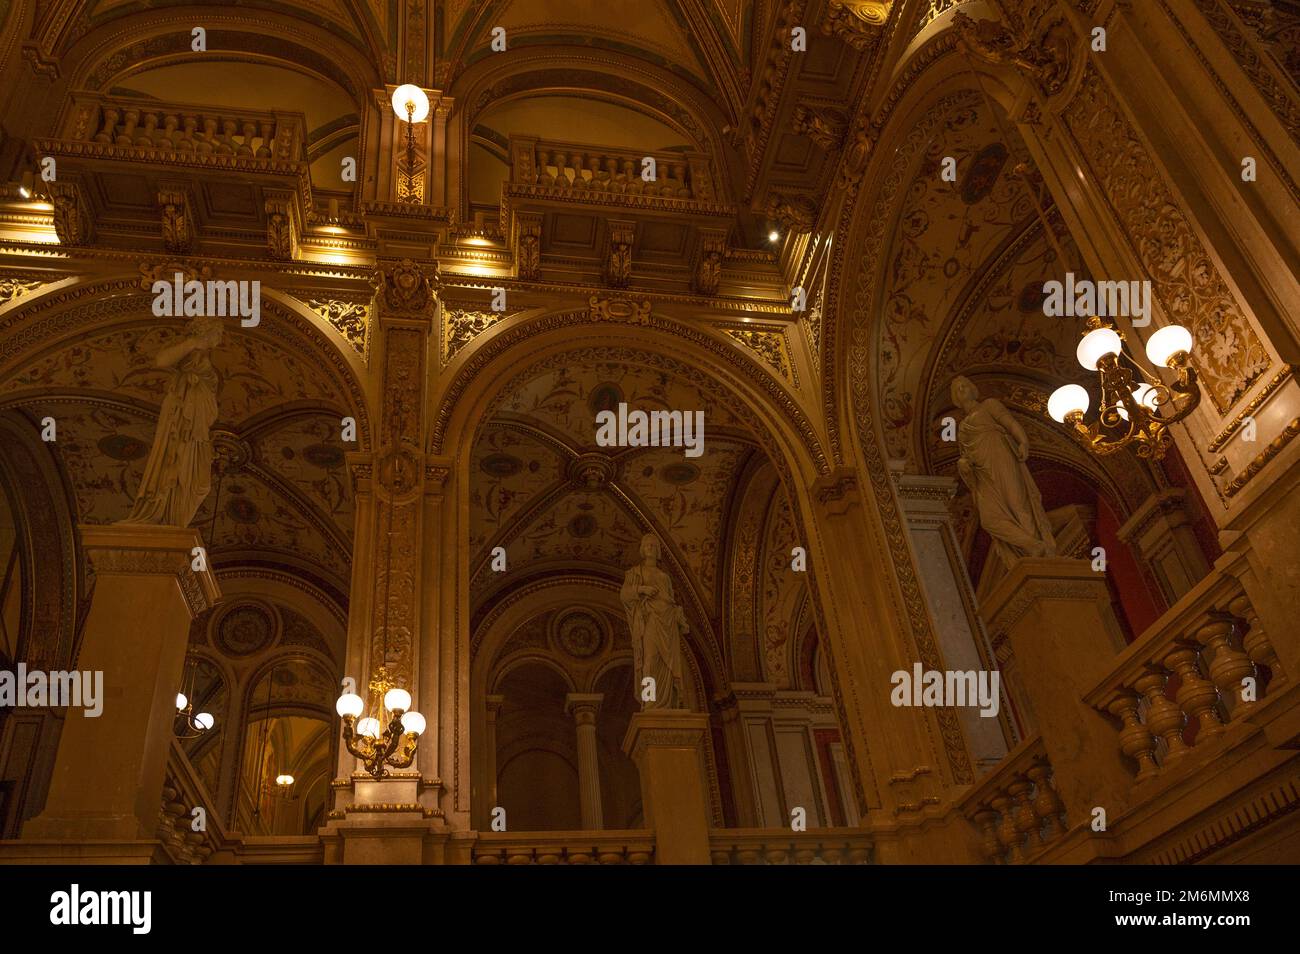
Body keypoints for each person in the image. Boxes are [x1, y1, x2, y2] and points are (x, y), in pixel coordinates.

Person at [951, 375, 1056, 562]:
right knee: (989, 519)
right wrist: (964, 466)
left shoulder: (989, 405)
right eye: (958, 389)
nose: (962, 389)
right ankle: (1032, 545)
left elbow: (1010, 423)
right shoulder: (962, 428)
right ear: (955, 399)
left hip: (1001, 459)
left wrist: (1023, 442)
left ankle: (1040, 556)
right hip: (982, 475)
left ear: (973, 388)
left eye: (965, 385)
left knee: (1019, 504)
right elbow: (965, 457)